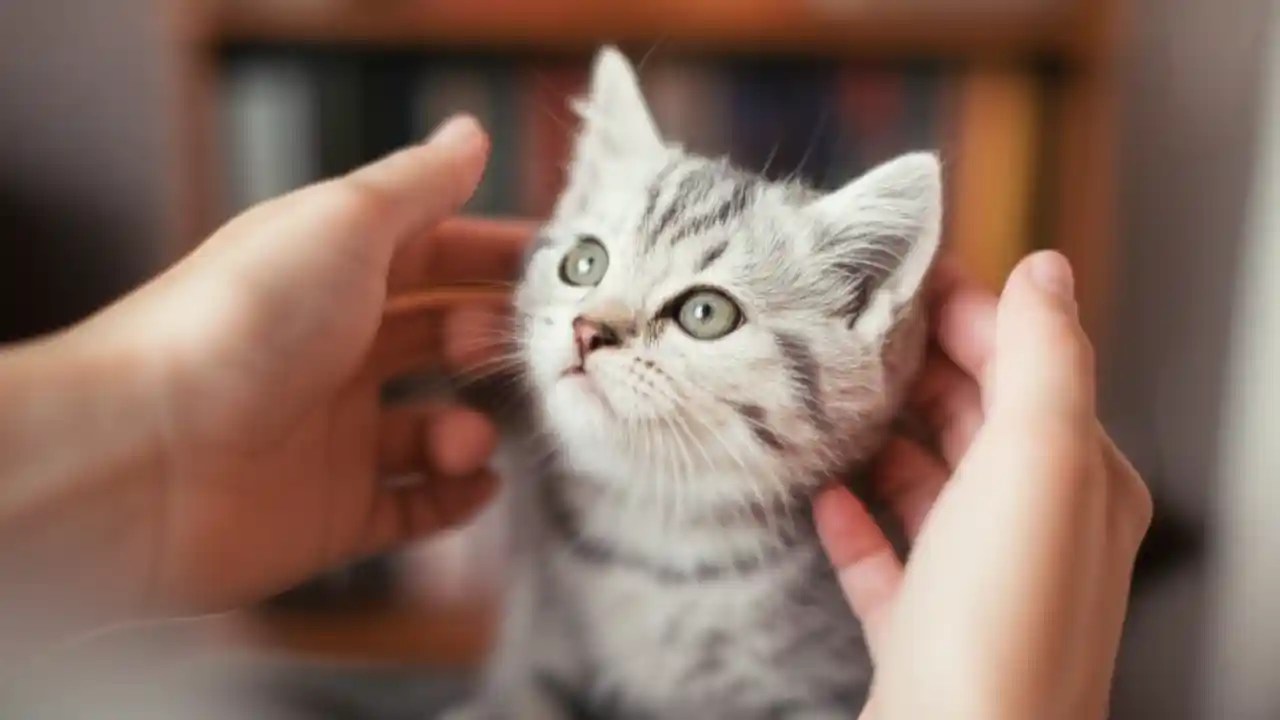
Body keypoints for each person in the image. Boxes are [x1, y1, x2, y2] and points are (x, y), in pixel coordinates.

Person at [0, 116, 1150, 718]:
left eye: (699, 307)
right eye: (587, 259)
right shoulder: (549, 497)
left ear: (860, 307)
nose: (589, 323)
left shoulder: (858, 575)